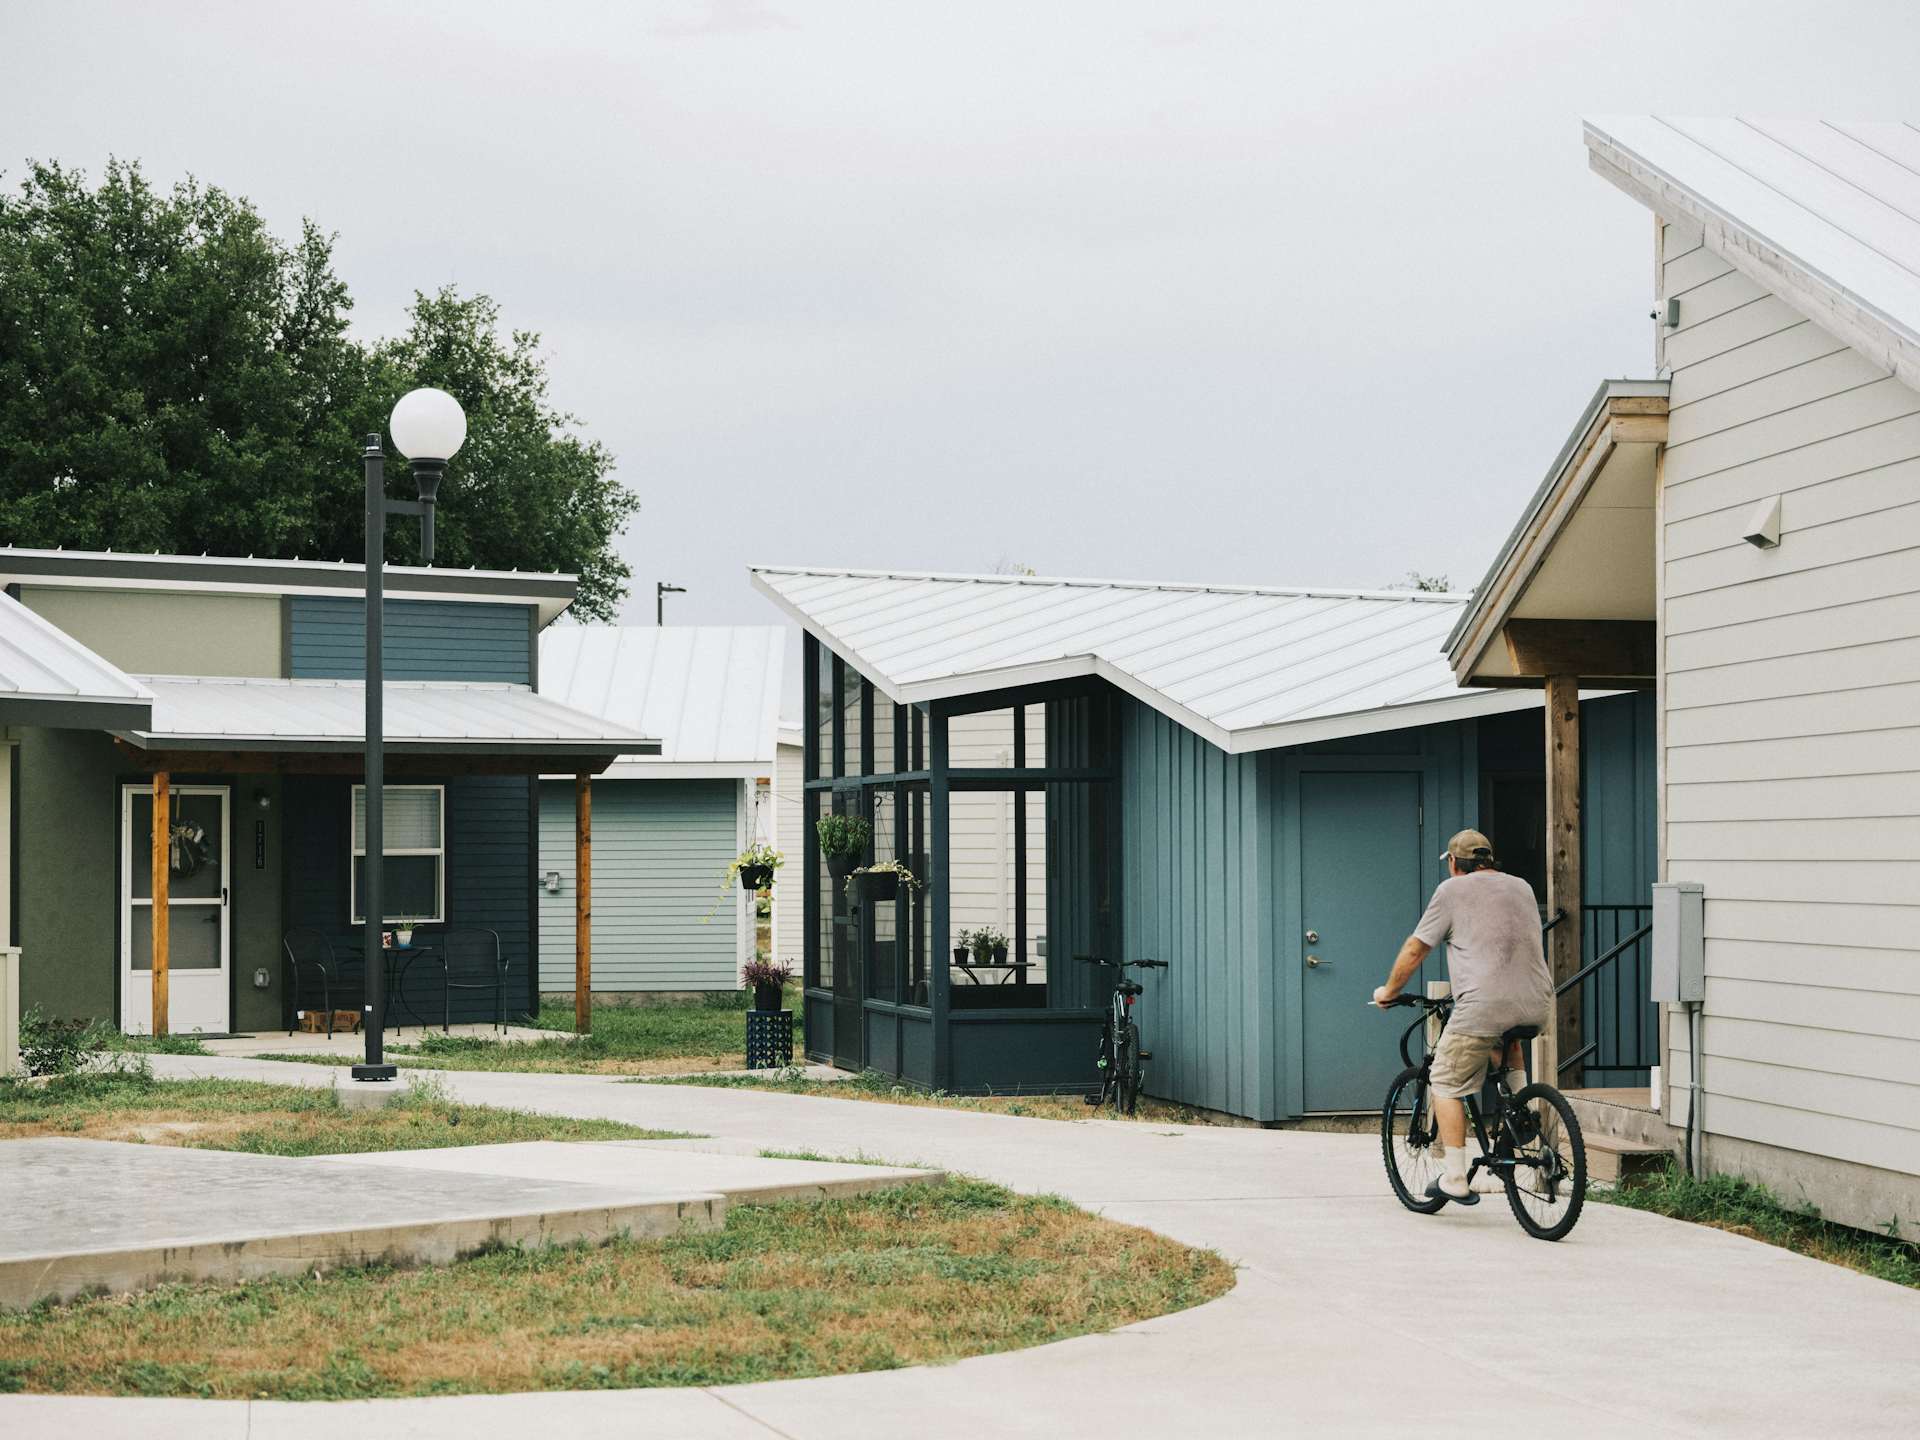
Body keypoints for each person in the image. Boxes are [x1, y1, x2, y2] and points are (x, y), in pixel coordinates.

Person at [1372, 829, 1551, 1205]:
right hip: (1537, 1002)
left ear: (1454, 863)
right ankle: (1522, 1115)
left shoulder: (1451, 891)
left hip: (1483, 1006)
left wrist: (1389, 991)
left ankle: (1455, 1177)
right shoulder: (1522, 887)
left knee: (1445, 1081)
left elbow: (1416, 949)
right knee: (1504, 1044)